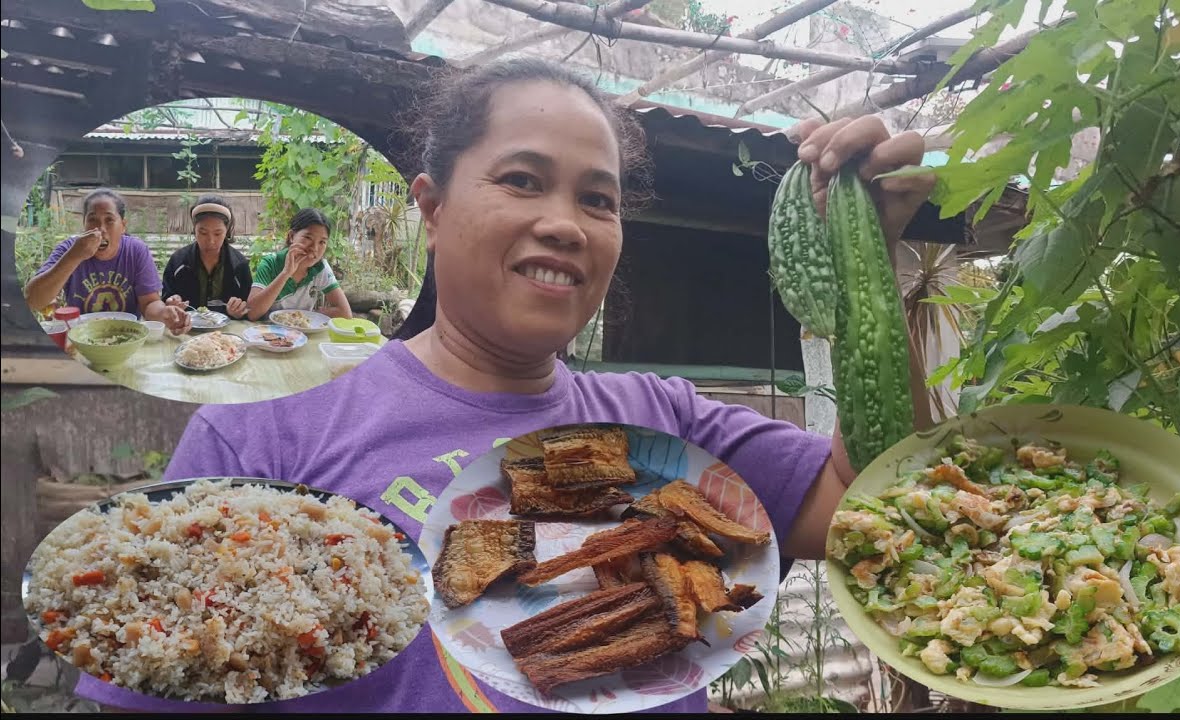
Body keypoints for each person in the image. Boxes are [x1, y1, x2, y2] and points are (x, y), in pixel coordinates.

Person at [77, 58, 934, 714]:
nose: (564, 223)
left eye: (598, 200)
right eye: (521, 180)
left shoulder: (664, 422)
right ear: (433, 205)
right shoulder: (266, 431)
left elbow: (879, 506)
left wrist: (868, 263)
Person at [24, 187, 190, 334]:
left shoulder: (136, 250)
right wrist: (74, 256)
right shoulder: (69, 249)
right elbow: (33, 300)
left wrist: (165, 314)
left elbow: (149, 304)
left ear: (123, 226)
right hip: (81, 337)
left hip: (127, 335)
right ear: (84, 224)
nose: (100, 229)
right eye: (92, 220)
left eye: (109, 220)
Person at [245, 208, 353, 320]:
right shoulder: (270, 263)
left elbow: (345, 313)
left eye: (322, 242)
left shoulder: (320, 268)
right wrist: (286, 273)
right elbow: (252, 313)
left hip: (304, 334)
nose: (314, 248)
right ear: (291, 236)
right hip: (269, 332)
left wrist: (305, 317)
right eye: (308, 238)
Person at [160, 194, 252, 318]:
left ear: (227, 231)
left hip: (224, 333)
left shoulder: (239, 265)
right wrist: (172, 303)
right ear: (194, 229)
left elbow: (248, 307)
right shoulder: (178, 261)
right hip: (186, 328)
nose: (211, 241)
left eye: (218, 233)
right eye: (203, 233)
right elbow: (165, 299)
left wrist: (238, 311)